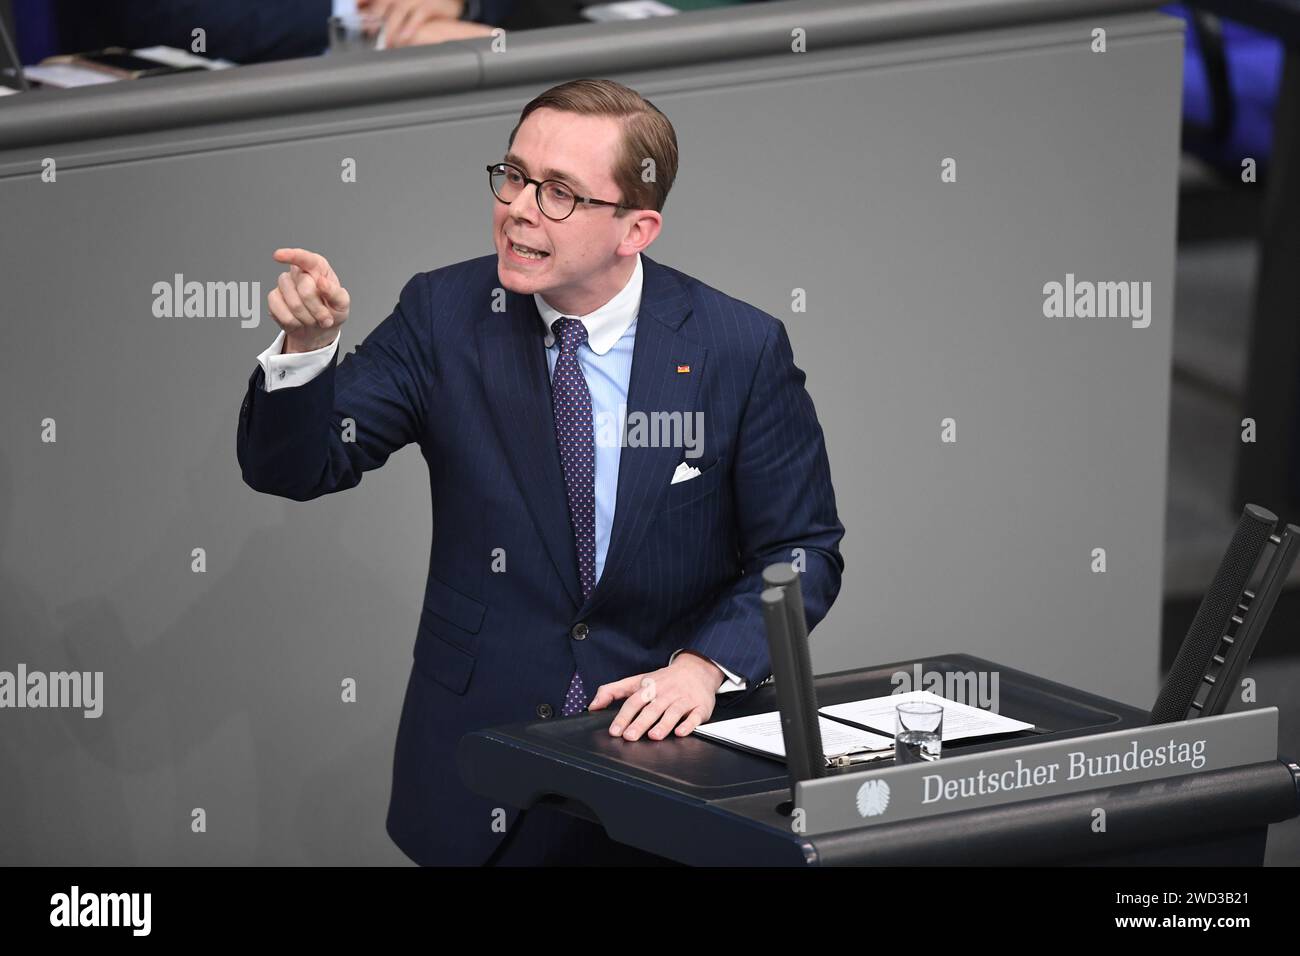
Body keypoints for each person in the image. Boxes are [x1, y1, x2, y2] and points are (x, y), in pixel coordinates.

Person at [236, 76, 844, 865]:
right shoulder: (443, 315)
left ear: (637, 227)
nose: (520, 206)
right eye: (515, 176)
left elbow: (801, 551)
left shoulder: (738, 348)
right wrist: (307, 353)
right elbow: (298, 465)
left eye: (560, 192)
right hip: (481, 769)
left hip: (668, 772)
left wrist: (703, 669)